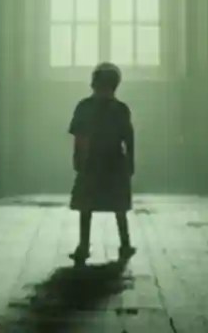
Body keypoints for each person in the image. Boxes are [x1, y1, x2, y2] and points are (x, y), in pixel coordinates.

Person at [67, 61, 135, 264]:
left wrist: (78, 157)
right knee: (118, 206)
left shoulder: (85, 107)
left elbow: (80, 136)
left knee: (87, 206)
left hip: (92, 161)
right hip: (113, 162)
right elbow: (129, 139)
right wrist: (130, 161)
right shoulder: (120, 109)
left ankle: (83, 246)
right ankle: (124, 244)